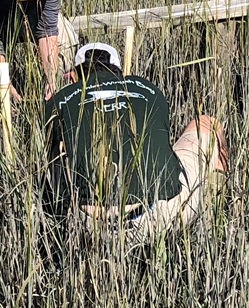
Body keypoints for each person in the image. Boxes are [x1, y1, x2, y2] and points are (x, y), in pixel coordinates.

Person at [44, 41, 225, 243]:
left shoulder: (59, 100)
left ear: (73, 77)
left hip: (87, 225)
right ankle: (224, 208)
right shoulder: (147, 89)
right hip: (158, 215)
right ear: (120, 72)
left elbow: (53, 170)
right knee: (208, 124)